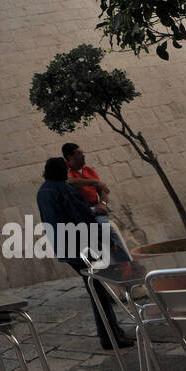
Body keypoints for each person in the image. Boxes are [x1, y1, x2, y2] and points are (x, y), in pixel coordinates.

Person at [36, 156, 134, 351]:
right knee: (99, 291)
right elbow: (84, 218)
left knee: (96, 289)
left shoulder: (43, 191)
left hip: (67, 248)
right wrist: (106, 241)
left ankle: (110, 332)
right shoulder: (64, 190)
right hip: (83, 246)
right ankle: (111, 336)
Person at [63, 142, 131, 264]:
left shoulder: (88, 170)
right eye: (79, 154)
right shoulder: (66, 171)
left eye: (82, 153)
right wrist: (93, 182)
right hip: (82, 212)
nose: (83, 156)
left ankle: (126, 265)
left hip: (97, 208)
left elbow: (103, 190)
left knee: (109, 230)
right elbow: (68, 182)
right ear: (69, 157)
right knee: (105, 230)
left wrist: (103, 203)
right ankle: (121, 265)